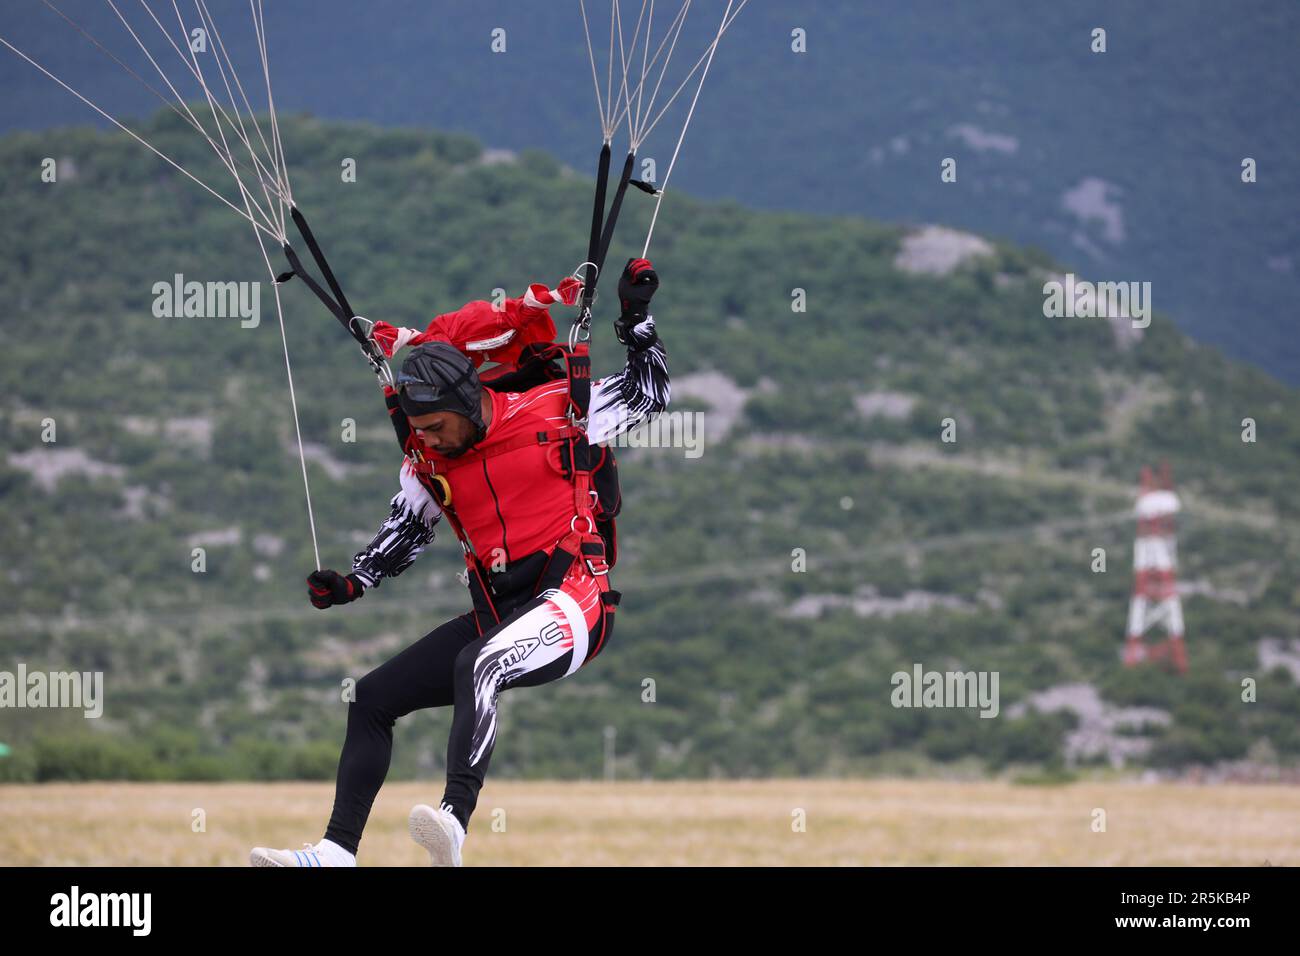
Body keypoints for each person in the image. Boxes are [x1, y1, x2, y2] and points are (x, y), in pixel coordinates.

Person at [250, 259, 666, 866]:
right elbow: (407, 530)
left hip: (575, 601)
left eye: (438, 426)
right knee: (370, 698)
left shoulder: (563, 410)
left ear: (468, 403)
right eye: (419, 429)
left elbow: (650, 392)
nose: (431, 439)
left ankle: (454, 824)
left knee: (479, 663)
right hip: (501, 611)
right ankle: (335, 855)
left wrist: (635, 319)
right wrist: (351, 582)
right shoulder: (428, 461)